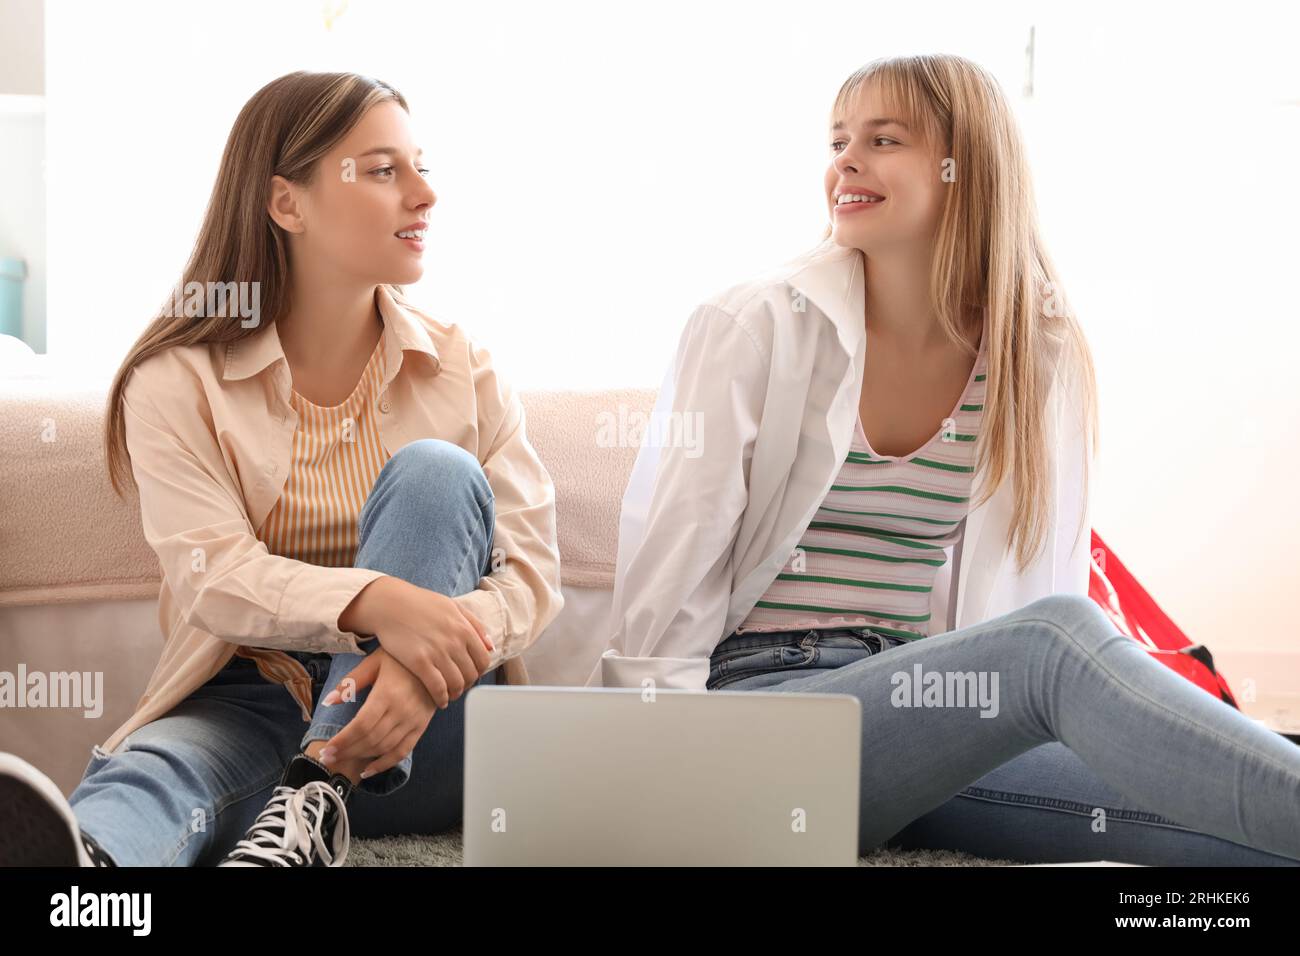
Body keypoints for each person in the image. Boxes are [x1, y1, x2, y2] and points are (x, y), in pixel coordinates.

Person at [587, 53, 1300, 865]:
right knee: (1058, 639)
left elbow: (1039, 586)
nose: (845, 161)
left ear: (968, 170)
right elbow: (668, 572)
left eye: (884, 139)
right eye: (838, 140)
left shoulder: (1037, 356)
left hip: (932, 719)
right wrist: (663, 780)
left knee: (1238, 830)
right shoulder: (754, 325)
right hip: (760, 715)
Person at [0, 71, 564, 867]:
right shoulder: (178, 380)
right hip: (252, 694)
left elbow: (531, 576)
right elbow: (213, 577)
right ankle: (87, 875)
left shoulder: (462, 366)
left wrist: (420, 652)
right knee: (165, 770)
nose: (423, 195)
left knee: (436, 474)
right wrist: (378, 598)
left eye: (420, 166)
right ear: (285, 203)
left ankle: (313, 795)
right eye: (382, 170)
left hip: (433, 720)